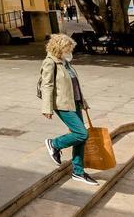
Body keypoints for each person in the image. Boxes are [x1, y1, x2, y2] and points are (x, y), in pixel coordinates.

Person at [39, 33, 97, 186]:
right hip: (62, 104)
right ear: (59, 48)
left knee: (80, 138)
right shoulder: (50, 62)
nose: (69, 51)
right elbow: (47, 85)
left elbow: (74, 84)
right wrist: (47, 107)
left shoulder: (65, 62)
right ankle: (55, 144)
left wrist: (83, 101)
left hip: (75, 102)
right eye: (67, 48)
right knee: (81, 133)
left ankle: (78, 171)